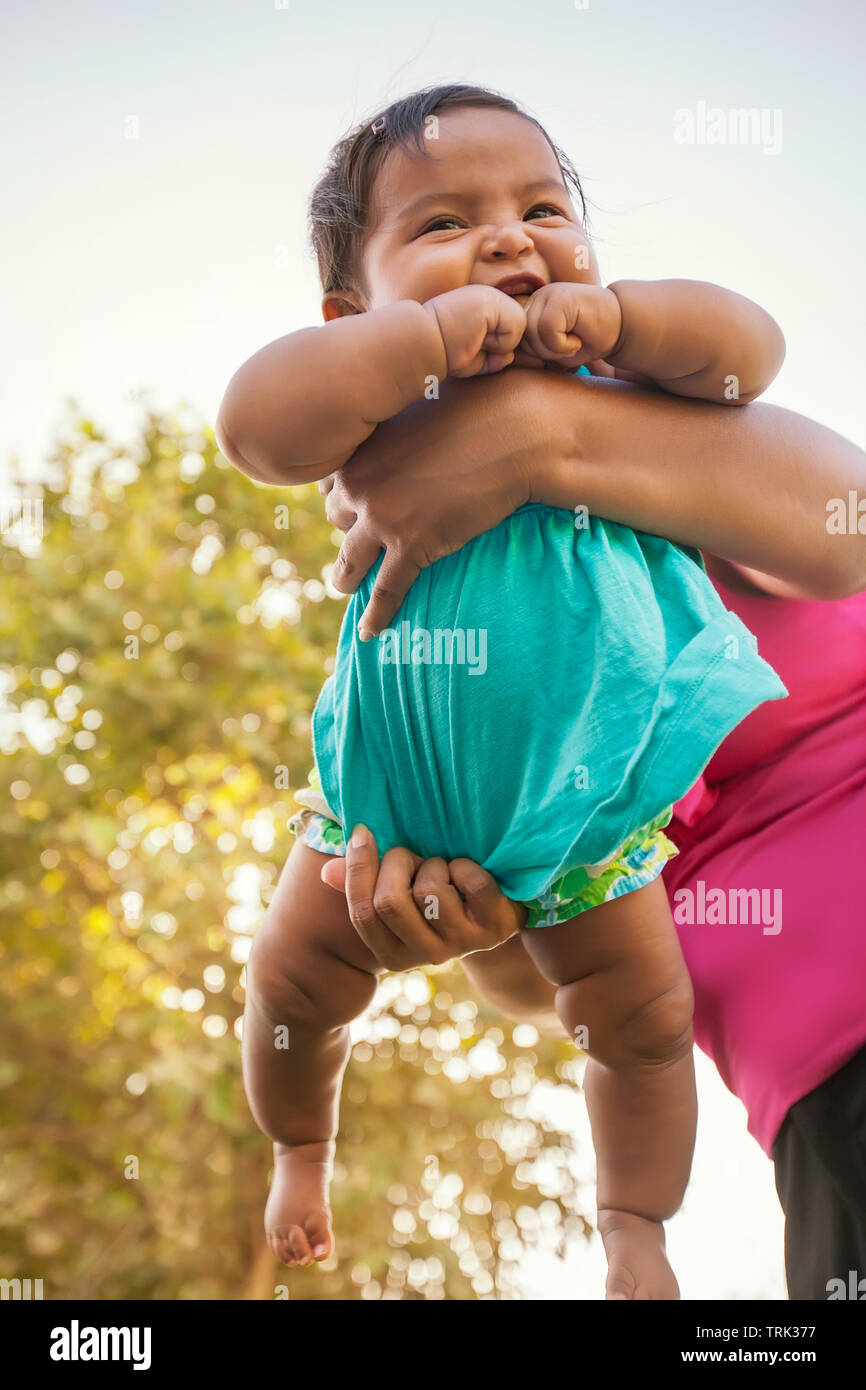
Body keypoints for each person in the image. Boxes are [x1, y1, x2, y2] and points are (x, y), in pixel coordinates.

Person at [217, 82, 800, 1299]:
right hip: (377, 811)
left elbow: (751, 348)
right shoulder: (377, 417)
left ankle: (633, 1223)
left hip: (593, 830)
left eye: (543, 209)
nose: (506, 240)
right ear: (347, 310)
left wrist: (623, 321)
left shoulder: (626, 396)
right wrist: (412, 349)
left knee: (641, 1024)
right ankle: (300, 1147)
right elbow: (255, 425)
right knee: (291, 980)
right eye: (440, 225)